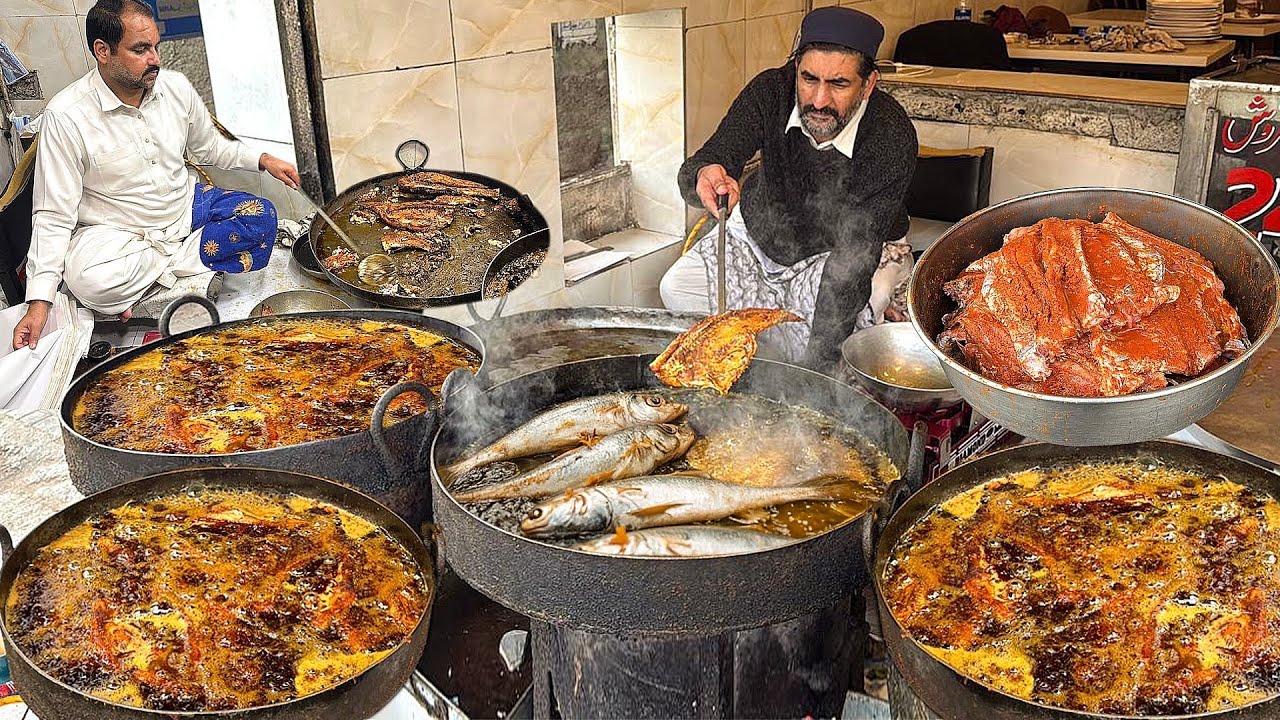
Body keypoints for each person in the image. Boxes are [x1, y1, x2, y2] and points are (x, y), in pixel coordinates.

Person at [11, 0, 301, 350]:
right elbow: (53, 214)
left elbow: (210, 147)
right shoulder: (67, 116)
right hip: (120, 232)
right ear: (103, 51)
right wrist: (39, 303)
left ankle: (160, 277)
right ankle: (188, 269)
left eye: (156, 47)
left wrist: (264, 159)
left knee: (263, 217)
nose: (156, 60)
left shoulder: (174, 87)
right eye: (141, 49)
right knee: (89, 279)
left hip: (186, 209)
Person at [660, 6, 918, 371]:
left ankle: (780, 365)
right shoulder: (771, 91)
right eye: (809, 78)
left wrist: (815, 375)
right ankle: (749, 363)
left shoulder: (889, 134)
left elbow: (852, 260)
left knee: (820, 343)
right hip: (760, 236)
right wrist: (706, 173)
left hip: (838, 255)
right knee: (678, 288)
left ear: (869, 84)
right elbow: (711, 159)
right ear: (795, 68)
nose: (819, 100)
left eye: (839, 84)